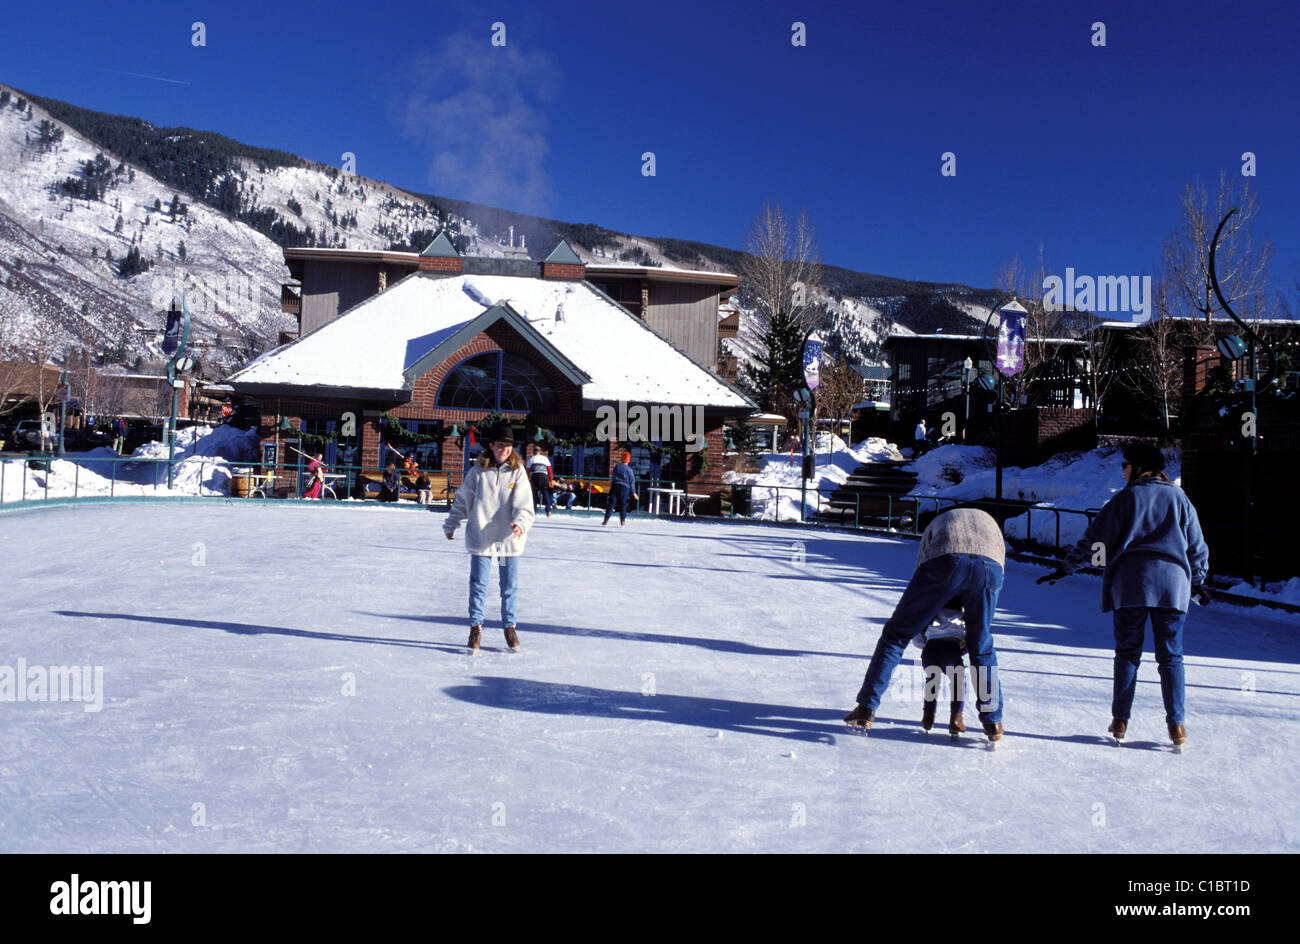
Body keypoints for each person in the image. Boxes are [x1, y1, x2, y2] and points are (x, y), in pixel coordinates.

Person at [1044, 443, 1210, 747]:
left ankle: (1120, 720)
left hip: (1131, 585)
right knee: (1171, 657)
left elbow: (1097, 543)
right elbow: (1197, 546)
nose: (1122, 471)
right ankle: (1177, 725)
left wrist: (1068, 567)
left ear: (1139, 468)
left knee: (1128, 655)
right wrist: (1198, 580)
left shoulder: (1124, 499)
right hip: (1172, 588)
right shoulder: (1180, 499)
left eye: (1125, 465)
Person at [845, 506, 1007, 742]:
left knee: (896, 635)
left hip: (946, 560)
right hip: (990, 566)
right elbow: (997, 566)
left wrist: (923, 618)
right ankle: (993, 721)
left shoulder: (939, 522)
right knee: (980, 645)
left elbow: (923, 566)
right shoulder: (990, 521)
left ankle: (866, 708)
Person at [444, 424, 535, 650]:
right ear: (491, 445)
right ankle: (476, 628)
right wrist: (452, 523)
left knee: (508, 585)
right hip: (482, 539)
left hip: (506, 542)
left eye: (508, 445)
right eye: (500, 444)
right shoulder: (477, 472)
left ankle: (509, 626)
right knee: (478, 584)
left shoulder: (518, 472)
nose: (504, 449)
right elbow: (463, 501)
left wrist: (519, 524)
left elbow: (525, 505)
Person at [913, 596, 967, 734]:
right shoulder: (963, 617)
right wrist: (963, 648)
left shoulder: (930, 615)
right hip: (951, 650)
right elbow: (970, 640)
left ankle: (928, 717)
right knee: (958, 683)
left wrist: (926, 644)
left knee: (932, 681)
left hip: (930, 650)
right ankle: (956, 719)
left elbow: (917, 640)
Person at [603, 450, 638, 526]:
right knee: (623, 504)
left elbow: (613, 478)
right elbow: (632, 481)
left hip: (615, 487)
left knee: (611, 504)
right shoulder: (629, 470)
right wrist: (633, 492)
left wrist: (611, 488)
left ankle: (606, 520)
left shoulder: (616, 467)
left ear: (622, 459)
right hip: (624, 488)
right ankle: (622, 521)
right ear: (628, 460)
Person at [526, 446, 554, 517]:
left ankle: (534, 511)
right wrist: (550, 480)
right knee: (545, 492)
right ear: (540, 451)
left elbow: (527, 471)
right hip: (544, 477)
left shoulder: (531, 459)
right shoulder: (545, 459)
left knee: (534, 494)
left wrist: (528, 480)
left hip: (535, 477)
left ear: (534, 452)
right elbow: (550, 471)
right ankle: (548, 510)